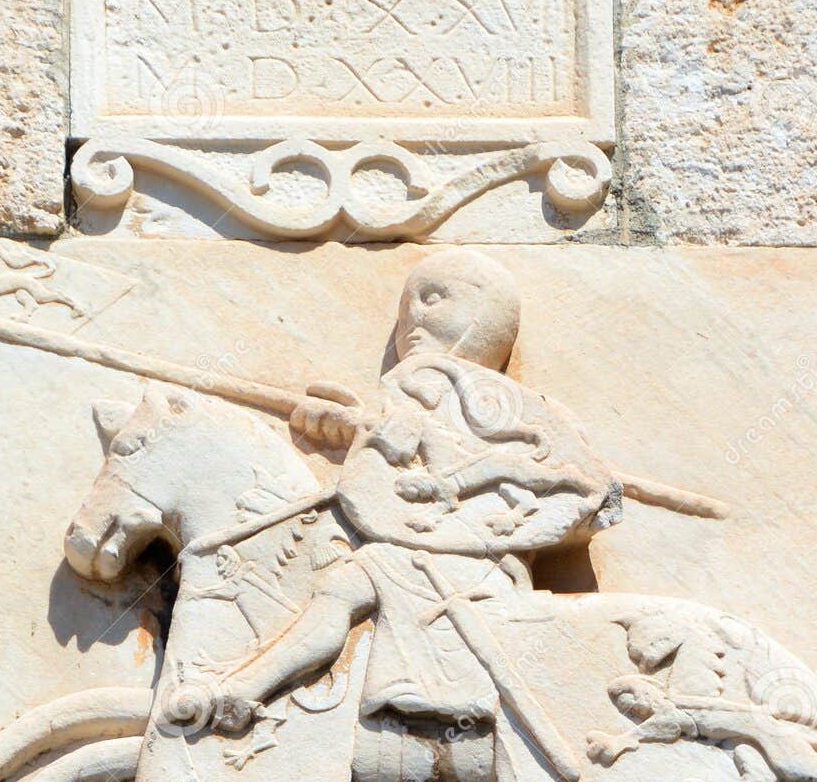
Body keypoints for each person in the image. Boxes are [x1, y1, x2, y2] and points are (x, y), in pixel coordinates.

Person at [180, 248, 622, 736]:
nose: (412, 316)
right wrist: (352, 430)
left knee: (342, 588)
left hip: (472, 564)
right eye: (405, 306)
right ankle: (252, 688)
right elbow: (388, 463)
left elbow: (581, 492)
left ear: (483, 311)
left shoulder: (525, 411)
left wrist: (381, 437)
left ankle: (249, 689)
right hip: (411, 544)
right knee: (334, 582)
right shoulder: (409, 397)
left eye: (433, 298)